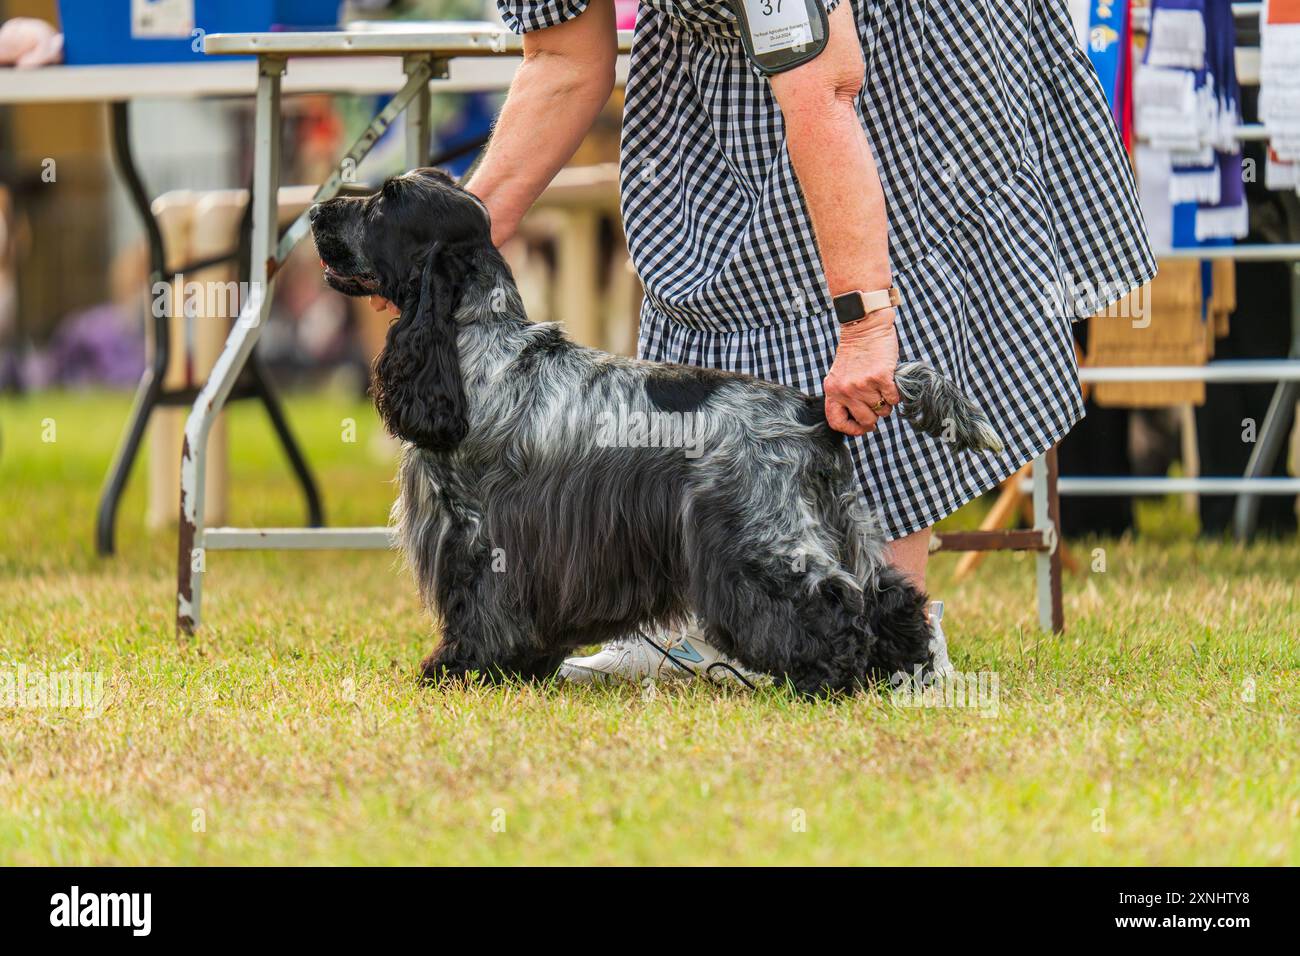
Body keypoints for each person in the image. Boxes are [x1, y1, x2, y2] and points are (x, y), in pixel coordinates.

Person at [374, 0, 1154, 683]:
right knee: (718, 272)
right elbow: (564, 59)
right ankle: (684, 618)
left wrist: (868, 329)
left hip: (902, 51)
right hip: (725, 61)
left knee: (872, 276)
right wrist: (449, 245)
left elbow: (825, 92)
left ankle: (890, 630)